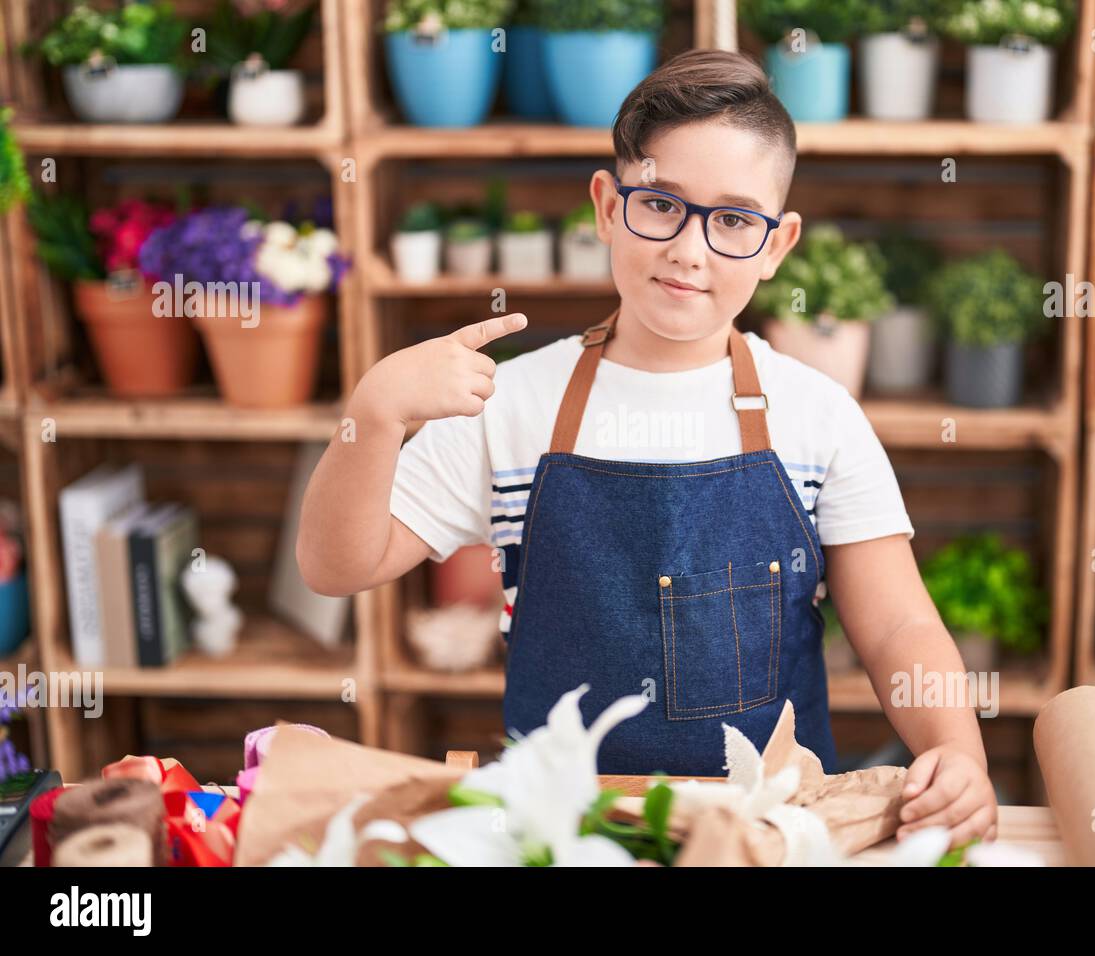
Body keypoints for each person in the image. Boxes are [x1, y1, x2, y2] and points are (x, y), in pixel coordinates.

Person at [298, 49, 998, 846]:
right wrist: (373, 415)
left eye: (735, 220)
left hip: (764, 833)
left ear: (777, 244)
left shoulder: (817, 416)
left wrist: (956, 750)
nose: (690, 250)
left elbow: (900, 629)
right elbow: (334, 566)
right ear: (606, 204)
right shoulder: (513, 407)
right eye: (661, 204)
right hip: (562, 831)